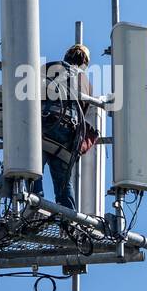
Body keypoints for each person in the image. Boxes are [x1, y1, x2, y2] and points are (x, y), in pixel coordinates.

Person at [31, 44, 93, 209]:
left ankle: (34, 200)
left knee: (32, 166)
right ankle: (69, 221)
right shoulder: (86, 82)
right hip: (67, 135)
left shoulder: (51, 67)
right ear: (84, 64)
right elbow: (83, 111)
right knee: (64, 184)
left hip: (47, 125)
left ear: (66, 56)